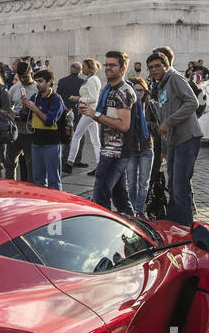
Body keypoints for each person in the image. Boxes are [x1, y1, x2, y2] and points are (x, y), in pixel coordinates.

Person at [147, 50, 201, 225]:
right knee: (172, 187)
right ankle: (173, 225)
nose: (154, 70)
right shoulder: (161, 83)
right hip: (173, 141)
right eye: (150, 68)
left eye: (157, 66)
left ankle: (185, 229)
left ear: (166, 65)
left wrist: (169, 122)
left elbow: (193, 102)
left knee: (180, 188)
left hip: (186, 138)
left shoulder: (175, 78)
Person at [81, 50, 136, 215]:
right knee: (119, 197)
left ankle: (103, 233)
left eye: (113, 65)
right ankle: (135, 230)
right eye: (106, 64)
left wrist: (94, 114)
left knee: (100, 197)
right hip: (109, 150)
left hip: (116, 152)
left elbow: (124, 125)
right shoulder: (109, 89)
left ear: (123, 68)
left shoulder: (124, 91)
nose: (108, 68)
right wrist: (91, 112)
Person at [22, 69, 64, 188]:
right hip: (36, 142)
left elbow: (49, 121)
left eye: (40, 81)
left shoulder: (56, 99)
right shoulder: (35, 97)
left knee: (53, 180)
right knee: (38, 179)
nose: (37, 84)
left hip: (51, 143)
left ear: (49, 82)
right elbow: (24, 116)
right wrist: (25, 106)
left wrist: (35, 109)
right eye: (36, 81)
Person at [126, 76, 161, 218]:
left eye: (141, 90)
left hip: (147, 148)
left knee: (144, 183)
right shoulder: (128, 105)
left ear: (145, 91)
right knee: (131, 182)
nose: (138, 93)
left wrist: (144, 124)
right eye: (135, 90)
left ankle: (139, 211)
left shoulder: (150, 105)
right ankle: (132, 211)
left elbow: (159, 126)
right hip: (132, 149)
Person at [66, 59, 101, 173]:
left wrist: (78, 99)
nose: (82, 69)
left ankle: (69, 163)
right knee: (95, 139)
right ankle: (100, 165)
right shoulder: (92, 79)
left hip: (89, 111)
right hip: (91, 110)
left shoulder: (91, 80)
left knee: (76, 136)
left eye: (84, 67)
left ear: (90, 68)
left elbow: (93, 98)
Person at [6, 59, 36, 181]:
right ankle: (10, 187)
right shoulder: (14, 88)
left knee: (31, 165)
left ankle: (30, 190)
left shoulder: (37, 88)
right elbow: (6, 108)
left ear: (31, 74)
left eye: (26, 77)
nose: (23, 80)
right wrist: (11, 114)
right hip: (16, 131)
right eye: (21, 77)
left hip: (31, 131)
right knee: (10, 163)